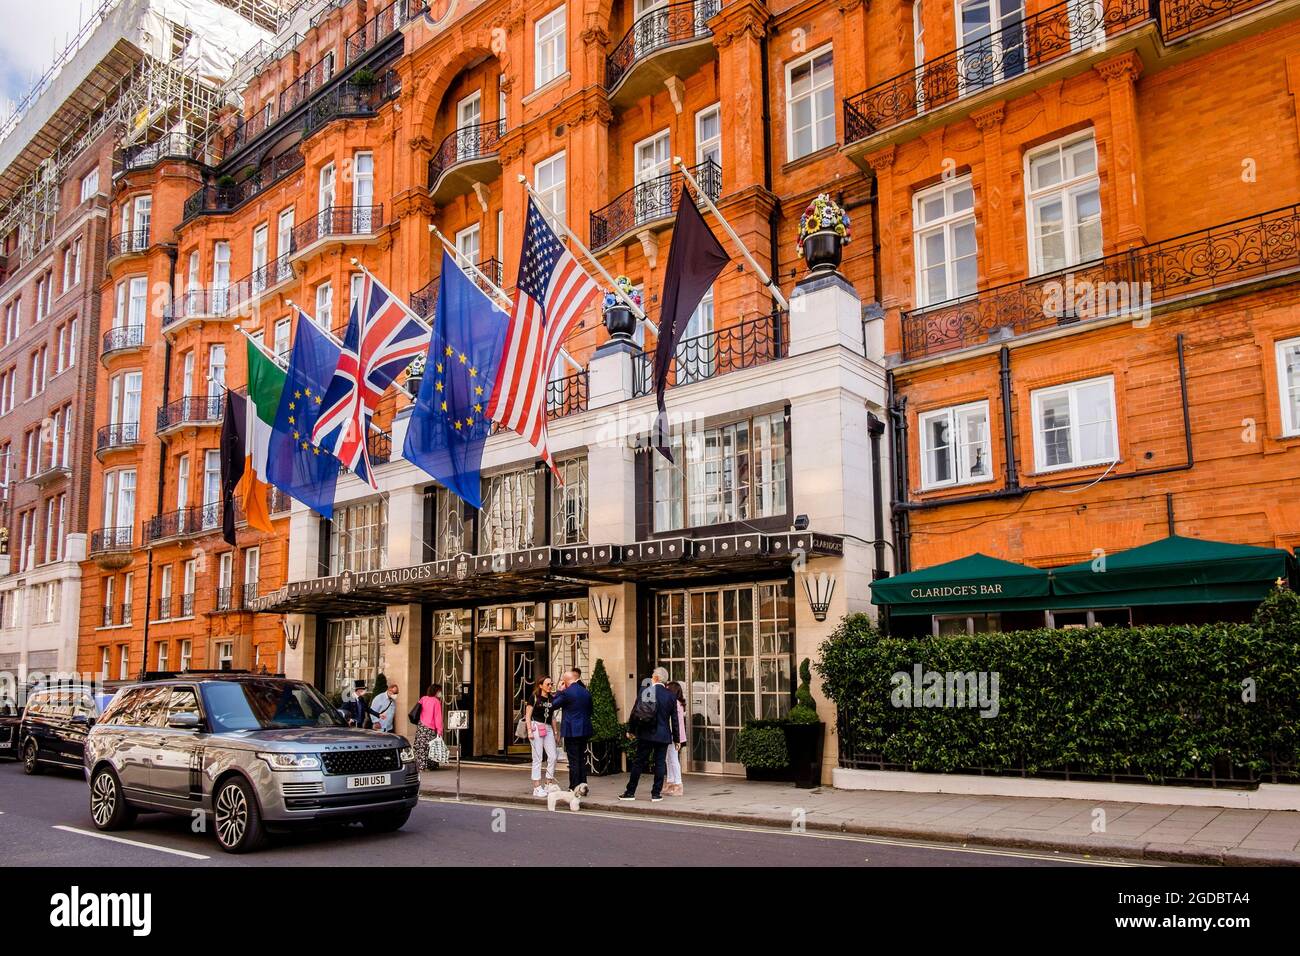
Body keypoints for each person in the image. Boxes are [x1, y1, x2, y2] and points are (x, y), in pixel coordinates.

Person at [620, 667, 679, 803]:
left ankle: (630, 792)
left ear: (656, 678)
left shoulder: (646, 691)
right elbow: (674, 720)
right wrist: (676, 739)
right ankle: (656, 794)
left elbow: (636, 712)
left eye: (652, 675)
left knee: (638, 763)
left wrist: (631, 730)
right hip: (663, 735)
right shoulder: (671, 695)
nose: (651, 677)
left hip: (646, 734)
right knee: (660, 764)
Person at [550, 668, 594, 792]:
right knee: (582, 759)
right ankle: (583, 785)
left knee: (573, 760)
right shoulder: (586, 692)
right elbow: (590, 710)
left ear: (566, 681)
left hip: (571, 731)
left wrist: (559, 691)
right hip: (584, 729)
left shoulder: (567, 693)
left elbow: (552, 705)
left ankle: (574, 786)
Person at [525, 676, 558, 797]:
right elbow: (528, 715)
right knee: (537, 757)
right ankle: (537, 787)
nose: (550, 686)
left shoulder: (551, 699)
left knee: (553, 756)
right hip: (536, 726)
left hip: (548, 728)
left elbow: (553, 717)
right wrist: (529, 730)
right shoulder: (534, 697)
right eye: (547, 684)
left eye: (551, 684)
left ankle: (548, 783)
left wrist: (555, 733)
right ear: (540, 685)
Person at [662, 680, 687, 796]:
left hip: (673, 735)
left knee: (672, 759)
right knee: (669, 758)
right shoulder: (678, 703)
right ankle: (671, 782)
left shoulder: (675, 704)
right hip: (674, 735)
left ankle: (678, 784)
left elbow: (673, 722)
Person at [414, 684, 445, 769]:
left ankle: (420, 765)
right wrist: (440, 730)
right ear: (436, 691)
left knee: (421, 746)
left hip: (421, 726)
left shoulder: (423, 699)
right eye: (439, 691)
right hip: (430, 728)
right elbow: (437, 717)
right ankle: (430, 765)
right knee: (431, 747)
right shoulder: (436, 701)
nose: (440, 693)